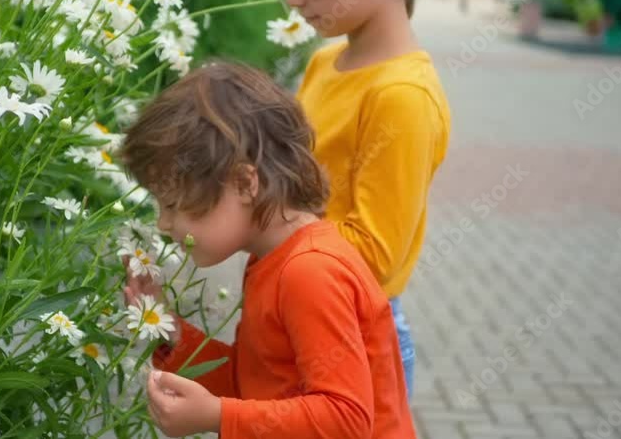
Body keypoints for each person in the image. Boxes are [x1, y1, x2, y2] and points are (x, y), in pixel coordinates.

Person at [120, 63, 416, 438]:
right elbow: (259, 386)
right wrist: (172, 333)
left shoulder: (311, 273)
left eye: (174, 204)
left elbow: (345, 420)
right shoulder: (272, 260)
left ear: (245, 183)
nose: (163, 223)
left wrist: (218, 416)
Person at [266, 0, 452, 396]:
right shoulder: (326, 63)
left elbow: (374, 255)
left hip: (358, 340)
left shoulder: (402, 96)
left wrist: (263, 228)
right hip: (301, 319)